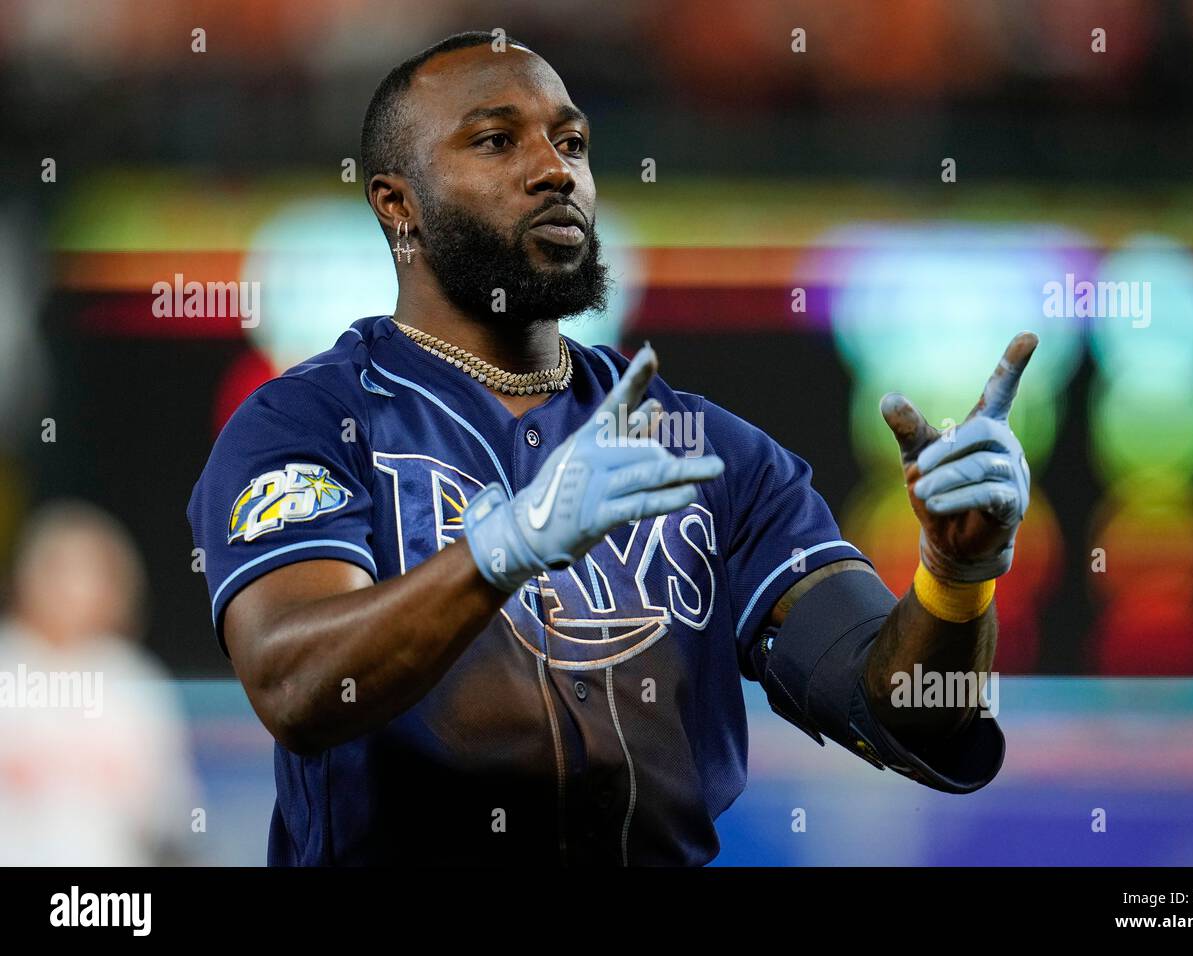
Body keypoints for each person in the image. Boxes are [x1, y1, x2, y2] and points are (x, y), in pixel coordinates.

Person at [187, 31, 1034, 866]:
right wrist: (502, 551)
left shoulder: (710, 452)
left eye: (572, 142)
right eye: (496, 141)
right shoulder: (307, 422)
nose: (556, 169)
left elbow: (909, 719)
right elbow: (296, 685)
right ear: (397, 204)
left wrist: (958, 580)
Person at [0, 500, 198, 865]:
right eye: (60, 569)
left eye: (91, 572)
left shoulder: (135, 680)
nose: (75, 589)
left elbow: (173, 824)